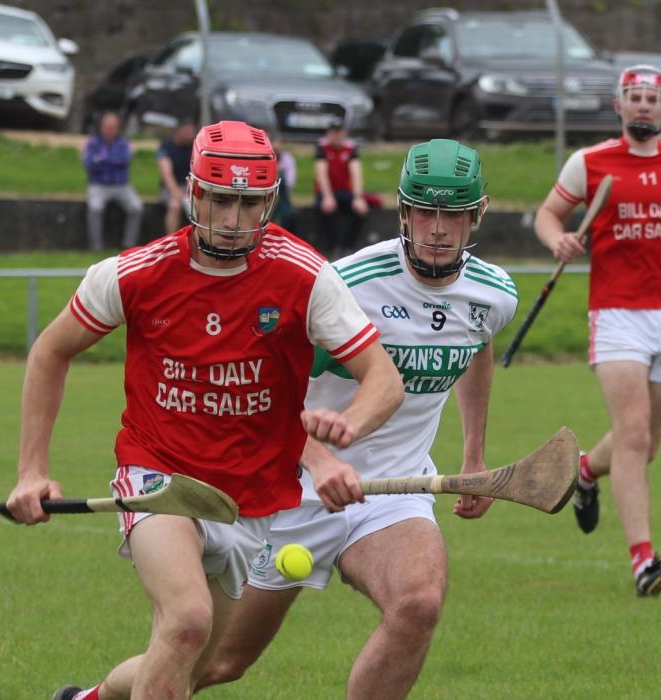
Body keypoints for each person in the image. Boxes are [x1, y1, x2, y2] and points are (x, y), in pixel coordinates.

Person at [3, 120, 404, 700]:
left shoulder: (304, 276)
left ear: (269, 201)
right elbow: (50, 350)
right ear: (194, 192)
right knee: (187, 620)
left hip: (248, 503)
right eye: (219, 200)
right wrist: (31, 469)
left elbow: (383, 379)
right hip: (158, 477)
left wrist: (349, 427)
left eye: (247, 203)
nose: (232, 219)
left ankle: (87, 699)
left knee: (193, 669)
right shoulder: (134, 274)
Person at [197, 139, 517, 699]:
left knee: (418, 603)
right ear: (403, 211)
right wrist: (318, 459)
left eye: (453, 215)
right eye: (425, 211)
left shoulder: (492, 295)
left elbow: (477, 348)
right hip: (291, 492)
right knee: (216, 665)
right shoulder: (346, 285)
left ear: (477, 216)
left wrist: (473, 455)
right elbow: (266, 389)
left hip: (392, 489)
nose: (438, 229)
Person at [533, 65, 661, 597]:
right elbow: (548, 215)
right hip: (617, 313)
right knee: (634, 432)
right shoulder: (591, 163)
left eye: (652, 98)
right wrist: (558, 241)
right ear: (619, 107)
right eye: (633, 97)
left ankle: (584, 471)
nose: (643, 105)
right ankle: (644, 562)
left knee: (644, 447)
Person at [83, 111, 143, 250]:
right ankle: (96, 247)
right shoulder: (92, 143)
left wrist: (102, 160)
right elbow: (90, 165)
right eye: (107, 126)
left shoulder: (123, 143)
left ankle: (129, 245)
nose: (110, 130)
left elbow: (125, 161)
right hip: (98, 185)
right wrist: (112, 161)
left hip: (122, 185)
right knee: (94, 208)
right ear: (101, 127)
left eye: (113, 126)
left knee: (136, 207)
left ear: (118, 128)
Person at [314, 118, 369, 257]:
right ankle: (333, 247)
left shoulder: (351, 148)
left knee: (360, 211)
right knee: (327, 210)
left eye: (339, 132)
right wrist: (327, 196)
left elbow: (356, 173)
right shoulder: (322, 147)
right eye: (334, 132)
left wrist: (358, 197)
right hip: (327, 191)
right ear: (328, 133)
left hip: (345, 191)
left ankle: (349, 246)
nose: (337, 136)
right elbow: (321, 173)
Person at [156, 120, 196, 233]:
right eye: (187, 132)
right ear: (178, 131)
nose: (190, 135)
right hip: (170, 189)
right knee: (174, 206)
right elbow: (166, 174)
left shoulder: (194, 146)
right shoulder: (166, 147)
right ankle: (171, 240)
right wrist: (176, 192)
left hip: (190, 187)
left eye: (192, 132)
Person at [269, 131, 297, 232]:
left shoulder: (288, 159)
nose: (277, 146)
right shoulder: (267, 157)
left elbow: (290, 181)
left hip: (282, 193)